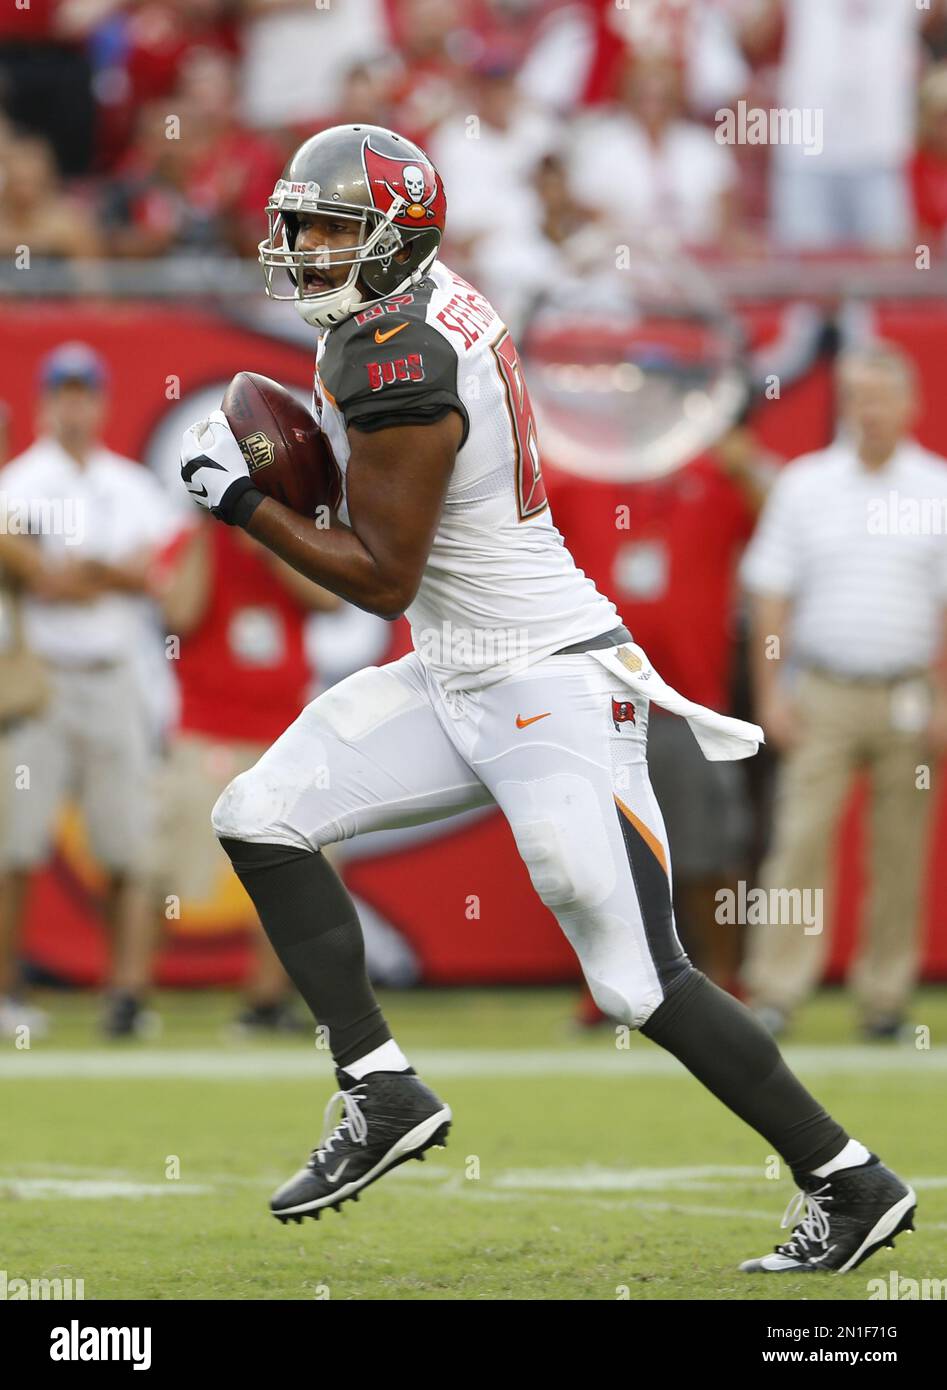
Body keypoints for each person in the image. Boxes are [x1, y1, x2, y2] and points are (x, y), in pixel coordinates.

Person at [178, 124, 916, 1273]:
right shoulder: (413, 314)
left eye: (328, 229)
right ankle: (377, 1087)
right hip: (462, 668)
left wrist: (242, 504)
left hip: (546, 675)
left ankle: (847, 1178)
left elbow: (381, 577)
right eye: (301, 227)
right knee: (257, 814)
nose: (305, 249)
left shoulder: (393, 354)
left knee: (635, 978)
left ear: (393, 238)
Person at [741, 345, 947, 1039]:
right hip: (823, 687)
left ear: (909, 406)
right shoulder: (806, 484)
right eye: (856, 398)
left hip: (908, 690)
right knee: (799, 840)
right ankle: (775, 990)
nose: (869, 412)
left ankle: (884, 998)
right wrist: (771, 692)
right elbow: (770, 594)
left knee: (899, 849)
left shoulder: (936, 487)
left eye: (880, 397)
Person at [0, 342, 176, 1038]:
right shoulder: (20, 482)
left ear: (100, 401)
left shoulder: (129, 483)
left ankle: (126, 996)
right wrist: (101, 571)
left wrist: (76, 572)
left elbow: (153, 575)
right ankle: (9, 991)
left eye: (85, 392)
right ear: (47, 402)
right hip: (41, 682)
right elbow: (44, 580)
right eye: (63, 392)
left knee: (127, 846)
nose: (74, 405)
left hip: (112, 674)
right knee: (15, 847)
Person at [147, 516, 338, 1034]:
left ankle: (265, 1002)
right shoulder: (188, 541)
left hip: (285, 733)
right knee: (165, 868)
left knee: (300, 869)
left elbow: (332, 600)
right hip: (207, 734)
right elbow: (179, 614)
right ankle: (129, 996)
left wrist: (271, 541)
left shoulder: (288, 538)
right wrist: (211, 532)